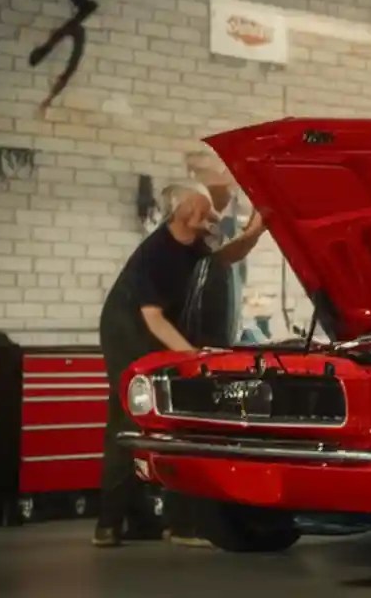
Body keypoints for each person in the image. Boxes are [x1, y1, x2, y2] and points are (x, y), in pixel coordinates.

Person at [92, 182, 267, 548]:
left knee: (175, 421)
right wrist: (194, 358)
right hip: (129, 328)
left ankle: (151, 521)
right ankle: (110, 523)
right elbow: (153, 319)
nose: (210, 215)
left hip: (162, 329)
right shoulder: (156, 253)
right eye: (203, 208)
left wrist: (255, 232)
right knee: (131, 416)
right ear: (183, 210)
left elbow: (224, 257)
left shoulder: (194, 247)